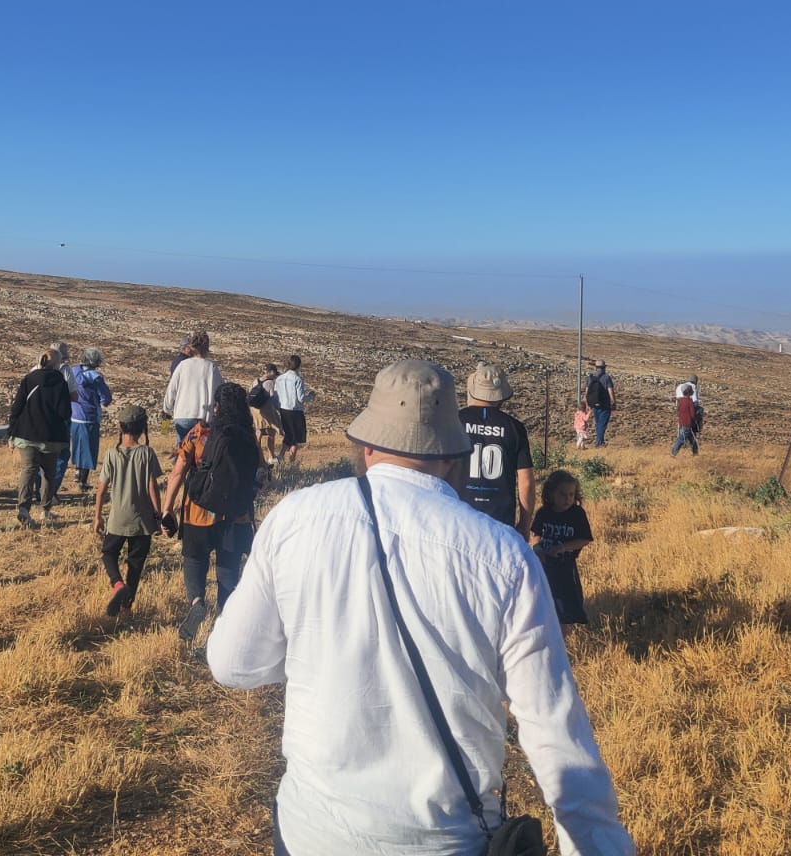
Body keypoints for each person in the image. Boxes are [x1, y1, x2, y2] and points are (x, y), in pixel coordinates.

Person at [207, 360, 633, 856]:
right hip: (446, 839)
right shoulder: (503, 557)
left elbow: (233, 664)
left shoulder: (295, 518)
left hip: (312, 832)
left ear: (366, 447)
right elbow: (555, 732)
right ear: (455, 456)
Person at [163, 381, 261, 641]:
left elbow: (177, 472)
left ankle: (197, 602)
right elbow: (260, 475)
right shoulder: (248, 436)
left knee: (195, 560)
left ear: (216, 407)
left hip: (199, 511)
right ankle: (224, 621)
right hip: (237, 516)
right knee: (228, 568)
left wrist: (167, 509)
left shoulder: (198, 433)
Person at [93, 404, 163, 619]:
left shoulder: (112, 454)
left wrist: (97, 516)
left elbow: (102, 490)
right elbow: (153, 487)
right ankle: (126, 608)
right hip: (141, 521)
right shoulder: (147, 453)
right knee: (136, 564)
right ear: (143, 428)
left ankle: (116, 584)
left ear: (121, 427)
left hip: (116, 520)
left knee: (108, 553)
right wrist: (158, 516)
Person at [457, 362, 534, 538]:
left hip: (458, 516)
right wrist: (525, 523)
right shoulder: (515, 427)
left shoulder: (456, 421)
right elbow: (526, 481)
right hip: (500, 520)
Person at [9, 348, 73, 527]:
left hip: (26, 434)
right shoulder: (59, 381)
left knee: (28, 470)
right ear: (57, 363)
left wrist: (11, 432)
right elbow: (65, 411)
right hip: (50, 436)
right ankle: (45, 509)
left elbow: (17, 407)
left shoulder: (29, 379)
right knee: (48, 473)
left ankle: (23, 508)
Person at [531, 469, 594, 637]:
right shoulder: (543, 513)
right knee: (542, 606)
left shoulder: (577, 514)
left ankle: (561, 641)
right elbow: (535, 536)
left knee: (564, 611)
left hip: (565, 568)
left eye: (571, 495)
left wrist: (564, 547)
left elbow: (584, 539)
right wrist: (537, 550)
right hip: (544, 567)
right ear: (551, 494)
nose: (567, 499)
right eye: (563, 495)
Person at [162, 329, 222, 442]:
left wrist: (166, 409)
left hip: (182, 415)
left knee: (182, 453)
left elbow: (172, 389)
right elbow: (221, 391)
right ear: (206, 348)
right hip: (202, 417)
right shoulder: (211, 367)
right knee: (201, 454)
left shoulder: (182, 365)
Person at [70, 347, 113, 493]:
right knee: (89, 449)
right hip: (89, 417)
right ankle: (83, 480)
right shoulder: (95, 377)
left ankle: (77, 471)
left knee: (77, 446)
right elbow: (106, 398)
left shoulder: (74, 371)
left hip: (73, 416)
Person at [273, 354, 312, 462]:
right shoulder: (297, 379)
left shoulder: (279, 378)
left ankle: (280, 456)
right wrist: (310, 396)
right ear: (299, 366)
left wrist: (278, 407)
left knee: (289, 435)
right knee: (296, 438)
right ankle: (291, 461)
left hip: (283, 409)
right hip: (295, 411)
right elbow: (301, 399)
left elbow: (276, 395)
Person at [249, 363, 282, 464]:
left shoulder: (255, 381)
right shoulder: (270, 383)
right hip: (266, 411)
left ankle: (257, 457)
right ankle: (271, 456)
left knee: (258, 433)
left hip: (255, 411)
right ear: (271, 372)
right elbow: (272, 397)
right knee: (271, 433)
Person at [585, 360, 617, 448]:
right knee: (602, 424)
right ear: (604, 368)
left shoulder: (590, 377)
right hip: (605, 404)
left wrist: (587, 405)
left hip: (594, 404)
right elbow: (610, 391)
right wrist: (613, 402)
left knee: (598, 423)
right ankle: (598, 443)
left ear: (596, 367)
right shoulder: (606, 377)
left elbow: (587, 392)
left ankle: (601, 442)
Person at [670, 383, 700, 457]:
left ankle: (695, 454)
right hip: (687, 423)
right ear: (689, 392)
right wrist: (696, 420)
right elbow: (692, 414)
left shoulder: (680, 400)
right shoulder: (689, 401)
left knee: (691, 439)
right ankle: (673, 454)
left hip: (681, 422)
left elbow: (678, 410)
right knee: (681, 439)